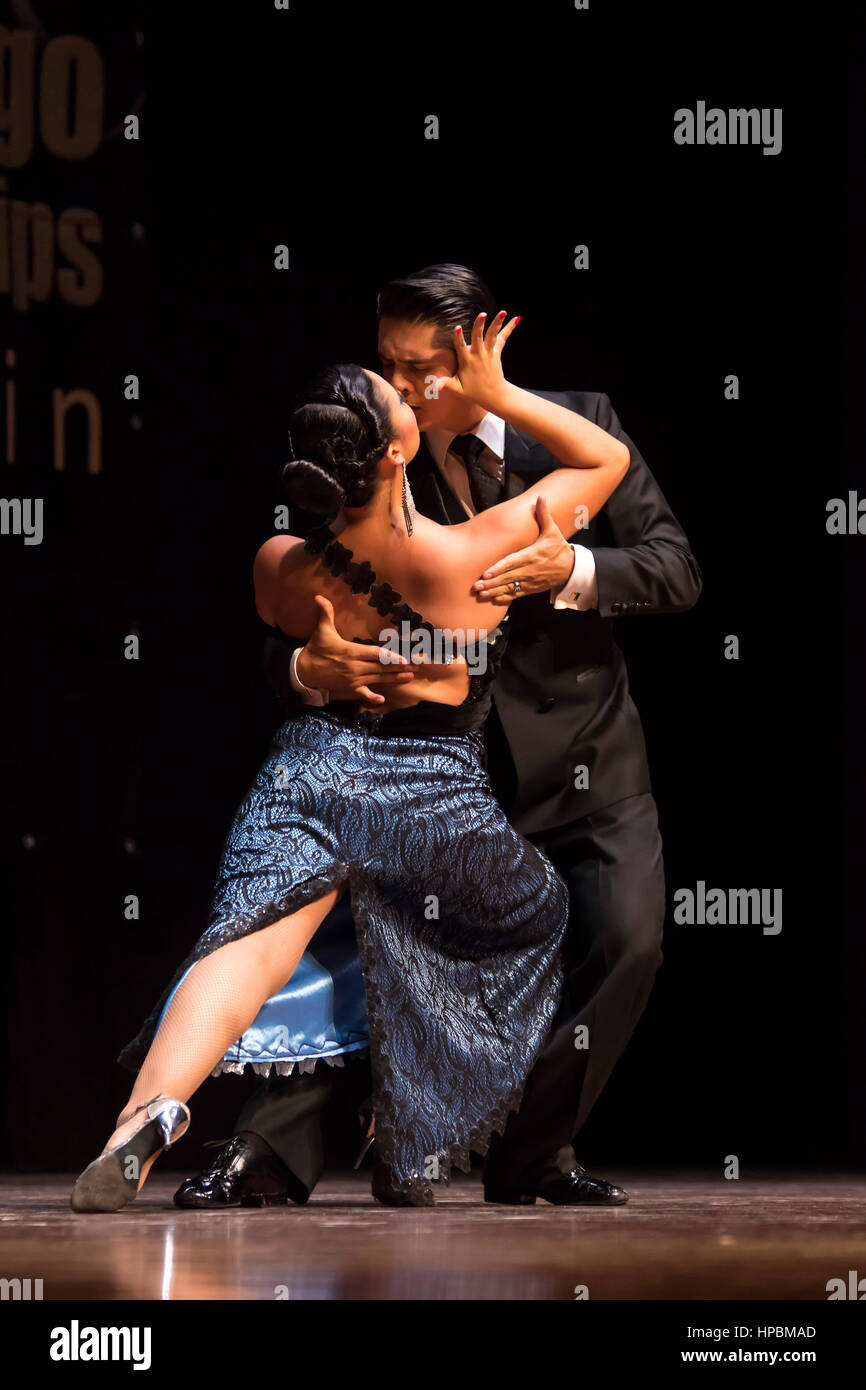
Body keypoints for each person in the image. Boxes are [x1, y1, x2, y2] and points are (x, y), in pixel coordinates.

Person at [70, 310, 630, 1212]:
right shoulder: (469, 558)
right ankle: (410, 1131)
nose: (409, 390)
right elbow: (607, 462)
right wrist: (499, 394)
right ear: (397, 454)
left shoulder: (278, 565)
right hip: (428, 798)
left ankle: (145, 1115)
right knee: (533, 911)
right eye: (392, 393)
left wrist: (306, 666)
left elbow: (279, 629)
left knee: (246, 943)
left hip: (308, 771)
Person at [176, 264, 702, 1211]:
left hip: (586, 754)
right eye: (390, 364)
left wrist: (571, 566)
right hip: (439, 761)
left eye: (423, 367)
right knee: (340, 920)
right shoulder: (379, 451)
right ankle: (266, 1151)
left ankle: (526, 1152)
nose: (404, 387)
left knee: (628, 941)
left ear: (478, 352)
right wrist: (305, 671)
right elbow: (292, 607)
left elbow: (675, 569)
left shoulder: (575, 423)